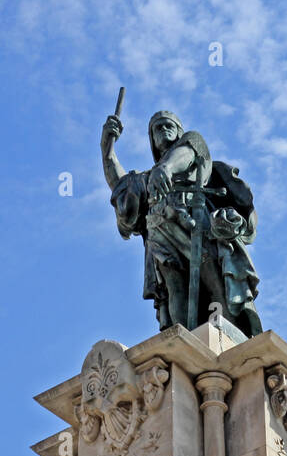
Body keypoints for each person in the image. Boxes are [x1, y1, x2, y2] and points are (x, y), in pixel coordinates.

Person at [100, 108, 262, 335]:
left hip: (193, 220)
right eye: (158, 127)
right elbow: (121, 187)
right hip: (158, 229)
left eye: (169, 125)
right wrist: (107, 148)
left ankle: (228, 334)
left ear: (179, 132)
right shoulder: (147, 177)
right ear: (152, 139)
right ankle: (183, 340)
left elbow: (185, 154)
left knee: (213, 278)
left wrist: (166, 168)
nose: (164, 129)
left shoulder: (192, 143)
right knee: (174, 287)